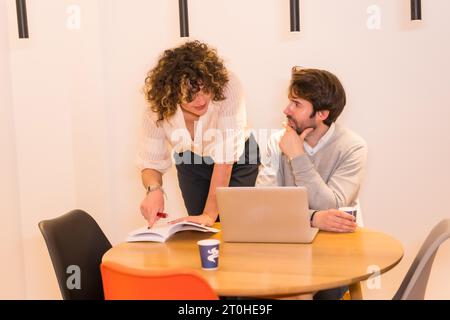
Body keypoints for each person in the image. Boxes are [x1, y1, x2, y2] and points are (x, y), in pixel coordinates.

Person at [256, 67, 368, 299]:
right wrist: (313, 218)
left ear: (322, 114)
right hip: (288, 245)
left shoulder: (353, 147)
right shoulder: (277, 142)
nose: (286, 110)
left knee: (301, 292)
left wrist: (298, 156)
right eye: (289, 102)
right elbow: (264, 205)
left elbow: (332, 207)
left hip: (335, 249)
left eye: (297, 104)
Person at [138, 41, 260, 229]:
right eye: (190, 95)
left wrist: (209, 215)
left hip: (238, 159)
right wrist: (154, 190)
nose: (201, 100)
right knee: (199, 228)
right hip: (190, 160)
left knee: (235, 226)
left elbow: (225, 160)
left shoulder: (229, 87)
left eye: (206, 90)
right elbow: (150, 162)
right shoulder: (157, 110)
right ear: (171, 93)